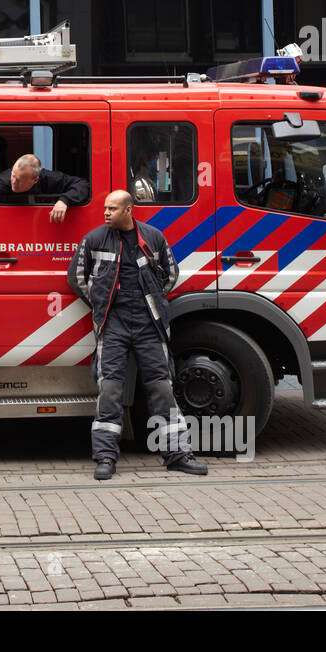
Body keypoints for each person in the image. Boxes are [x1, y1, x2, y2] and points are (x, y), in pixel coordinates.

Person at [68, 190, 206, 479]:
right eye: (104, 207)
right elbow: (77, 277)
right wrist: (101, 302)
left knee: (161, 388)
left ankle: (178, 455)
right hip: (113, 322)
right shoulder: (94, 239)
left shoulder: (153, 237)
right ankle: (105, 457)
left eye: (112, 208)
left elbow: (170, 274)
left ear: (128, 210)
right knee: (111, 390)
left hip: (148, 323)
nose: (105, 213)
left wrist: (153, 300)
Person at [0, 153, 88, 222]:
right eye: (13, 175)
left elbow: (82, 184)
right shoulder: (1, 182)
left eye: (20, 181)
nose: (13, 182)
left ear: (35, 180)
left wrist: (64, 200)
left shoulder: (49, 178)